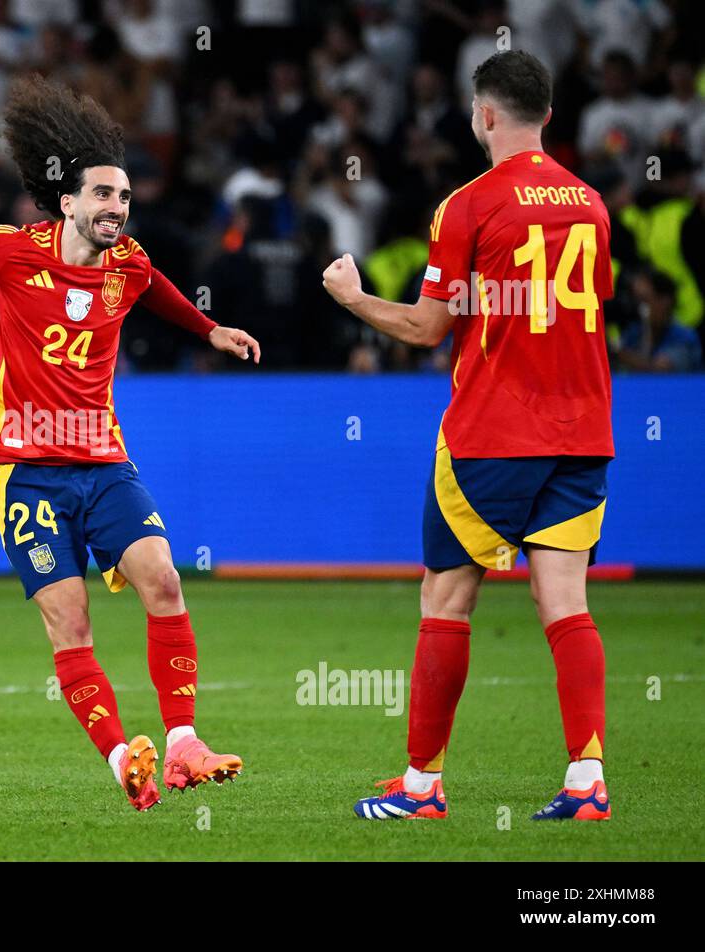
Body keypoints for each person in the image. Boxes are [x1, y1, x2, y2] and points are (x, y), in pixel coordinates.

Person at [0, 77, 260, 812]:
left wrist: (211, 330)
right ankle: (121, 761)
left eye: (125, 198)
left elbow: (161, 290)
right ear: (68, 201)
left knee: (165, 582)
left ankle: (182, 746)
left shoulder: (128, 264)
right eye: (104, 196)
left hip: (104, 461)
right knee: (68, 618)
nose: (117, 209)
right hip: (28, 471)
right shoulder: (15, 252)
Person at [322, 50, 615, 822]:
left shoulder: (468, 206)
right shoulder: (591, 204)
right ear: (546, 115)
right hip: (583, 430)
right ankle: (587, 780)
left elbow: (426, 328)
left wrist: (353, 299)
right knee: (566, 602)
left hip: (493, 432)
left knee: (446, 600)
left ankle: (421, 788)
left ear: (483, 114)